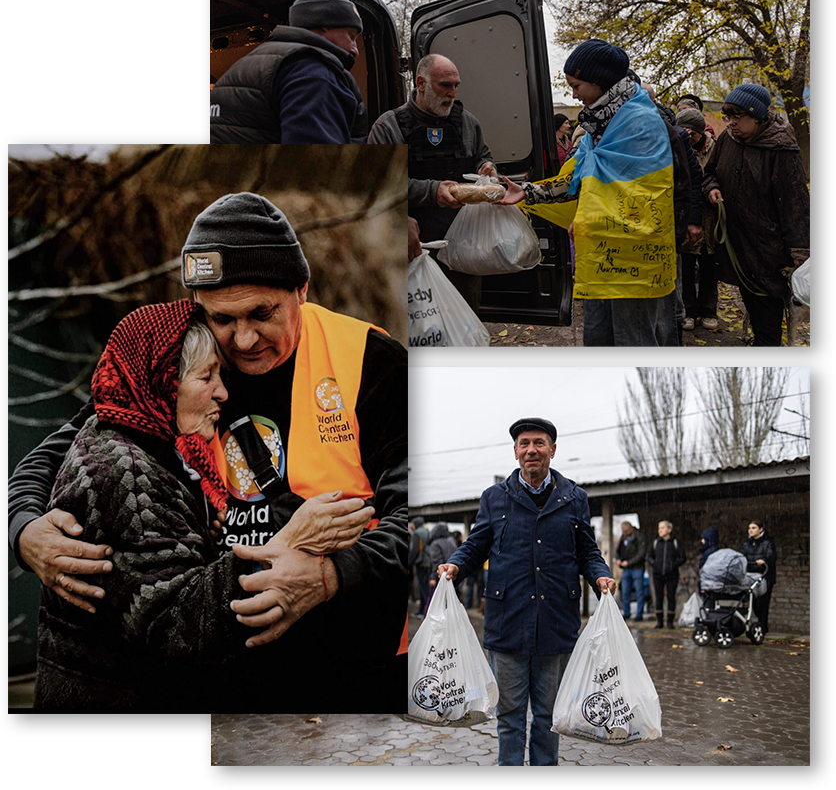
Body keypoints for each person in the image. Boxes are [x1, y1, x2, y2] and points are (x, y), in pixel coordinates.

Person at [11, 191, 407, 711]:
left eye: (262, 312)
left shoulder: (370, 361)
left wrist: (332, 575)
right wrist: (23, 530)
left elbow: (414, 516)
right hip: (230, 676)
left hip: (357, 671)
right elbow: (55, 451)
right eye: (223, 318)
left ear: (301, 290)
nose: (242, 340)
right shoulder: (180, 367)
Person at [33, 301, 374, 709]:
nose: (223, 393)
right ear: (163, 381)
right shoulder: (125, 471)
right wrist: (289, 541)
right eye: (206, 376)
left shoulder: (130, 436)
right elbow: (178, 623)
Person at [437, 417, 615, 767]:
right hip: (507, 625)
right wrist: (455, 565)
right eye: (524, 444)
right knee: (510, 718)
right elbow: (476, 545)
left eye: (538, 442)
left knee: (549, 719)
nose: (531, 449)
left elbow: (588, 552)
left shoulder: (574, 498)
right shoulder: (495, 498)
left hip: (556, 624)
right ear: (516, 451)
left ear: (552, 449)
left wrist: (601, 577)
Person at [501, 39, 678, 346]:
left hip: (633, 259)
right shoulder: (600, 125)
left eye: (576, 85)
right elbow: (579, 179)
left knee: (632, 338)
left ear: (598, 81)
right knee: (597, 337)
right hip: (601, 253)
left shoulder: (640, 123)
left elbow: (639, 196)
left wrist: (589, 220)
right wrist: (527, 192)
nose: (573, 94)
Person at [370, 53, 497, 313]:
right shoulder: (389, 127)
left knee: (465, 328)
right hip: (413, 251)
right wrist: (431, 191)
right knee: (422, 331)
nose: (452, 93)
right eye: (445, 85)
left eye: (456, 86)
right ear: (421, 83)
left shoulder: (467, 123)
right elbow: (377, 186)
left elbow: (482, 156)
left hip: (463, 251)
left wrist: (487, 168)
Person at [703, 83, 810, 346]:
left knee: (767, 318)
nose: (731, 123)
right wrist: (713, 188)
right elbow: (709, 173)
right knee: (751, 303)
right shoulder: (728, 139)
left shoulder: (781, 148)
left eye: (738, 117)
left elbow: (795, 203)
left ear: (758, 116)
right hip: (737, 245)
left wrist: (800, 251)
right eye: (728, 116)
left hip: (769, 253)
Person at [210, 0, 368, 143]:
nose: (355, 50)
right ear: (325, 25)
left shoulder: (245, 66)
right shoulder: (314, 72)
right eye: (352, 37)